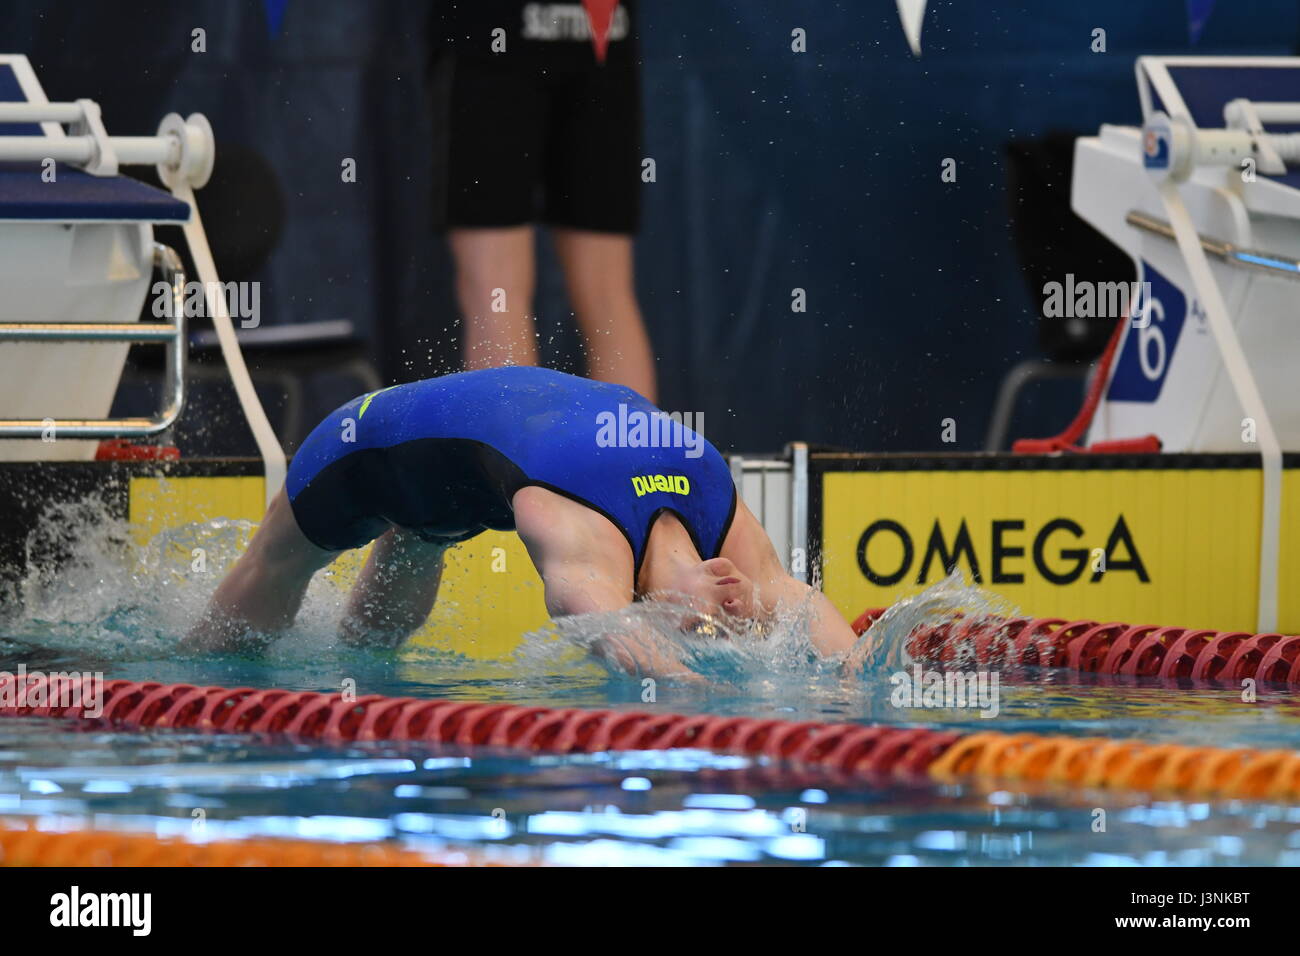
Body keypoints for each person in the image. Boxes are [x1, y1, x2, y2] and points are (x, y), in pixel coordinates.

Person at [186, 367, 858, 673]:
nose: (721, 625)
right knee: (266, 583)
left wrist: (856, 686)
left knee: (410, 563)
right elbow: (619, 637)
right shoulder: (578, 533)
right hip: (366, 446)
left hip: (469, 476)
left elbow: (797, 600)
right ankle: (189, 663)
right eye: (706, 631)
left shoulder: (713, 493)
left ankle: (359, 670)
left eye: (706, 632)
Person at [432, 0, 657, 398]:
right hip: (597, 33)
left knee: (495, 289)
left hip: (504, 38)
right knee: (606, 292)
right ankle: (635, 459)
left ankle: (513, 459)